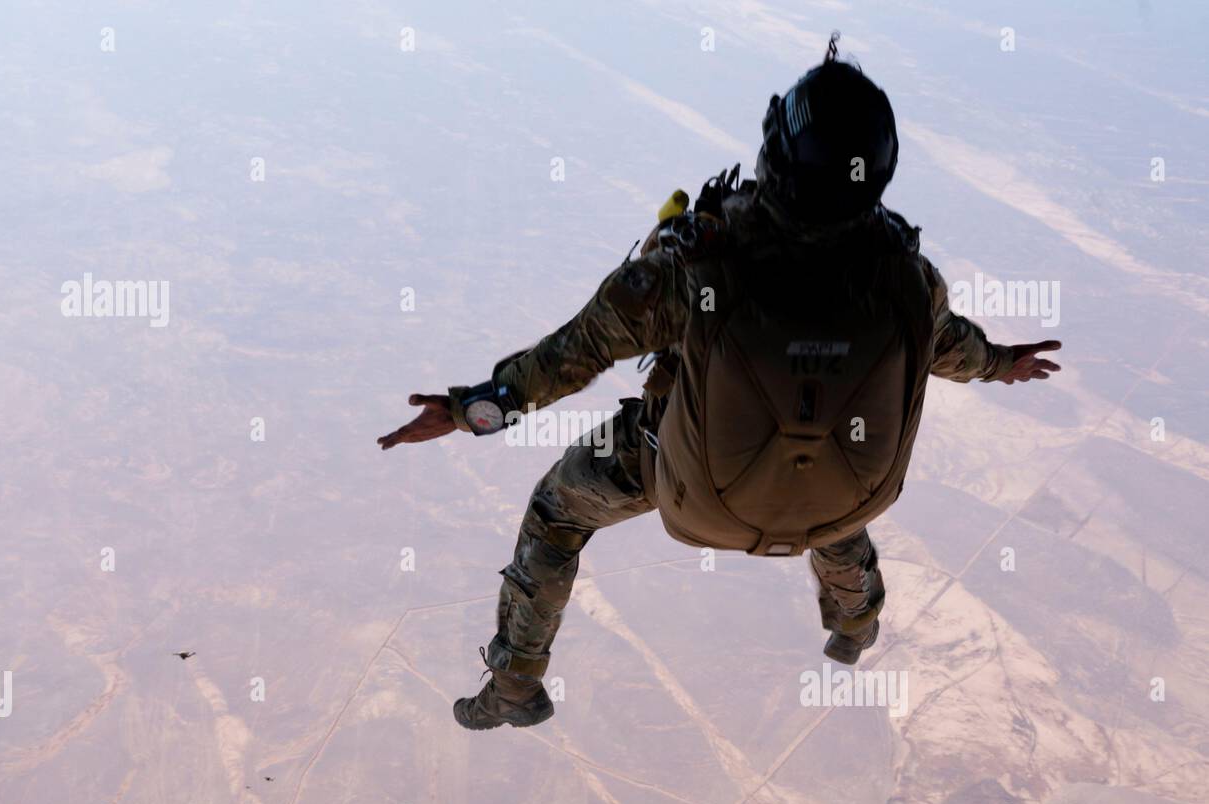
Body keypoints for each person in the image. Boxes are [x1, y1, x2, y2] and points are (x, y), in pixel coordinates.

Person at [377, 38, 1061, 732]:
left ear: (776, 150)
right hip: (843, 493)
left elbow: (571, 355)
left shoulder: (696, 265)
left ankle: (516, 681)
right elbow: (955, 348)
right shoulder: (910, 280)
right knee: (825, 468)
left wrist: (471, 410)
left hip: (694, 487)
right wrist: (1006, 362)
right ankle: (855, 623)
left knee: (557, 510)